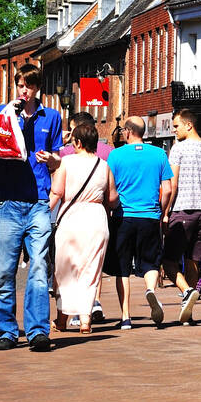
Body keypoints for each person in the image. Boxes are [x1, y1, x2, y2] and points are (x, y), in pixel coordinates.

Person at [0, 65, 62, 352]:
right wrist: (12, 116)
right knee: (5, 270)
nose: (24, 90)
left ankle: (37, 331)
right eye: (21, 85)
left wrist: (51, 160)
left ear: (37, 88)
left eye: (29, 86)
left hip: (38, 202)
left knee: (39, 268)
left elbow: (58, 159)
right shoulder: (1, 113)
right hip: (7, 200)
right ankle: (5, 331)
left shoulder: (52, 117)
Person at [48, 117, 118, 335]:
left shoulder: (67, 163)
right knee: (91, 270)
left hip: (72, 217)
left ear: (77, 143)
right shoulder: (104, 165)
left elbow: (57, 192)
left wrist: (42, 213)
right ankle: (86, 320)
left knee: (66, 270)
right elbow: (113, 198)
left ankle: (62, 319)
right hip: (97, 218)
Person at [104, 116, 172, 329]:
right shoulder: (160, 154)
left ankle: (125, 316)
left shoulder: (115, 156)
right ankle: (150, 290)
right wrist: (161, 211)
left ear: (128, 131)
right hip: (150, 216)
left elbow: (109, 189)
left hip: (124, 216)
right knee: (150, 262)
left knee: (122, 267)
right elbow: (168, 189)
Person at [161, 109, 201, 324]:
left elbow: (173, 182)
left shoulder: (178, 149)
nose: (174, 129)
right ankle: (189, 312)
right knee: (193, 261)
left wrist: (166, 211)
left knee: (168, 261)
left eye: (176, 125)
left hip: (182, 210)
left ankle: (187, 291)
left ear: (189, 125)